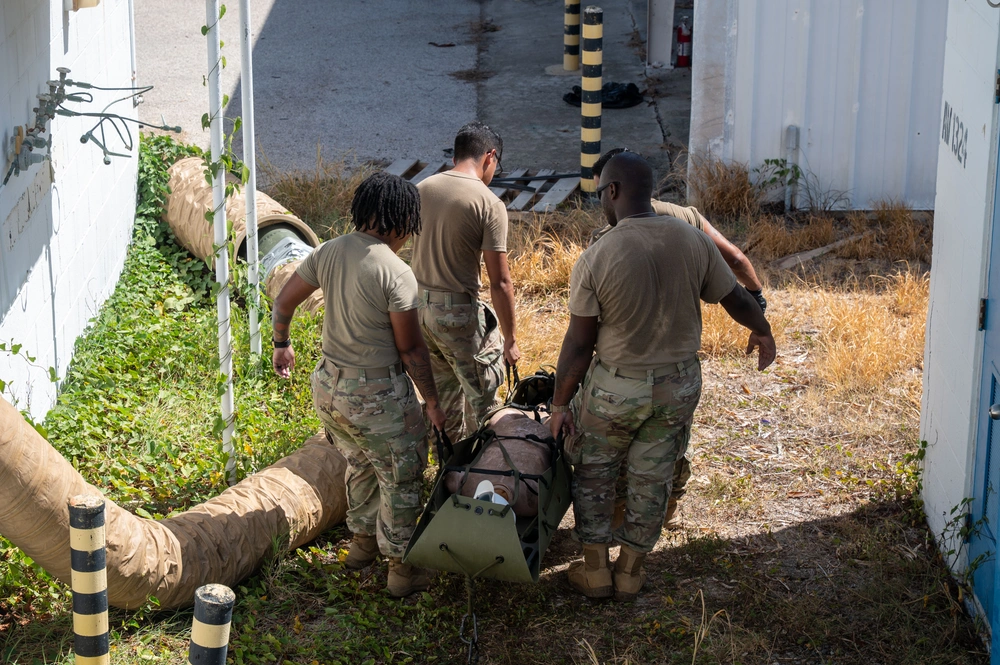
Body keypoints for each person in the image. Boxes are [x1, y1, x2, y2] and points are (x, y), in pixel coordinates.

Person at [548, 152, 776, 601]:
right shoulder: (691, 239)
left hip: (616, 388)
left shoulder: (599, 254)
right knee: (654, 477)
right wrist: (763, 331)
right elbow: (734, 297)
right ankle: (630, 571)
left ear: (612, 191)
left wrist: (559, 405)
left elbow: (579, 345)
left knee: (595, 471)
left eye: (600, 195)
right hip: (677, 386)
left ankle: (595, 570)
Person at [271, 172, 446, 598]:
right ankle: (402, 570)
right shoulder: (396, 273)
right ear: (403, 223)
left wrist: (282, 344)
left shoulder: (328, 252)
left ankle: (361, 548)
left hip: (330, 391)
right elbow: (412, 352)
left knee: (362, 464)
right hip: (376, 397)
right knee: (401, 476)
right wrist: (434, 402)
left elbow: (283, 300)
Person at [591, 148, 768, 529]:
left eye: (601, 191)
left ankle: (620, 518)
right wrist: (758, 306)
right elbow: (735, 260)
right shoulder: (687, 219)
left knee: (616, 444)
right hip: (677, 369)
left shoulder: (608, 236)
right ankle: (668, 506)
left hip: (624, 368)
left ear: (613, 189)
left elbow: (592, 316)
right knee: (669, 438)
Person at [410, 121, 521, 443]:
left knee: (443, 401)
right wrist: (511, 339)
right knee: (485, 403)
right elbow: (500, 281)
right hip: (457, 316)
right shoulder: (488, 203)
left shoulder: (423, 188)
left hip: (418, 311)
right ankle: (486, 477)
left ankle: (448, 470)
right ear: (490, 156)